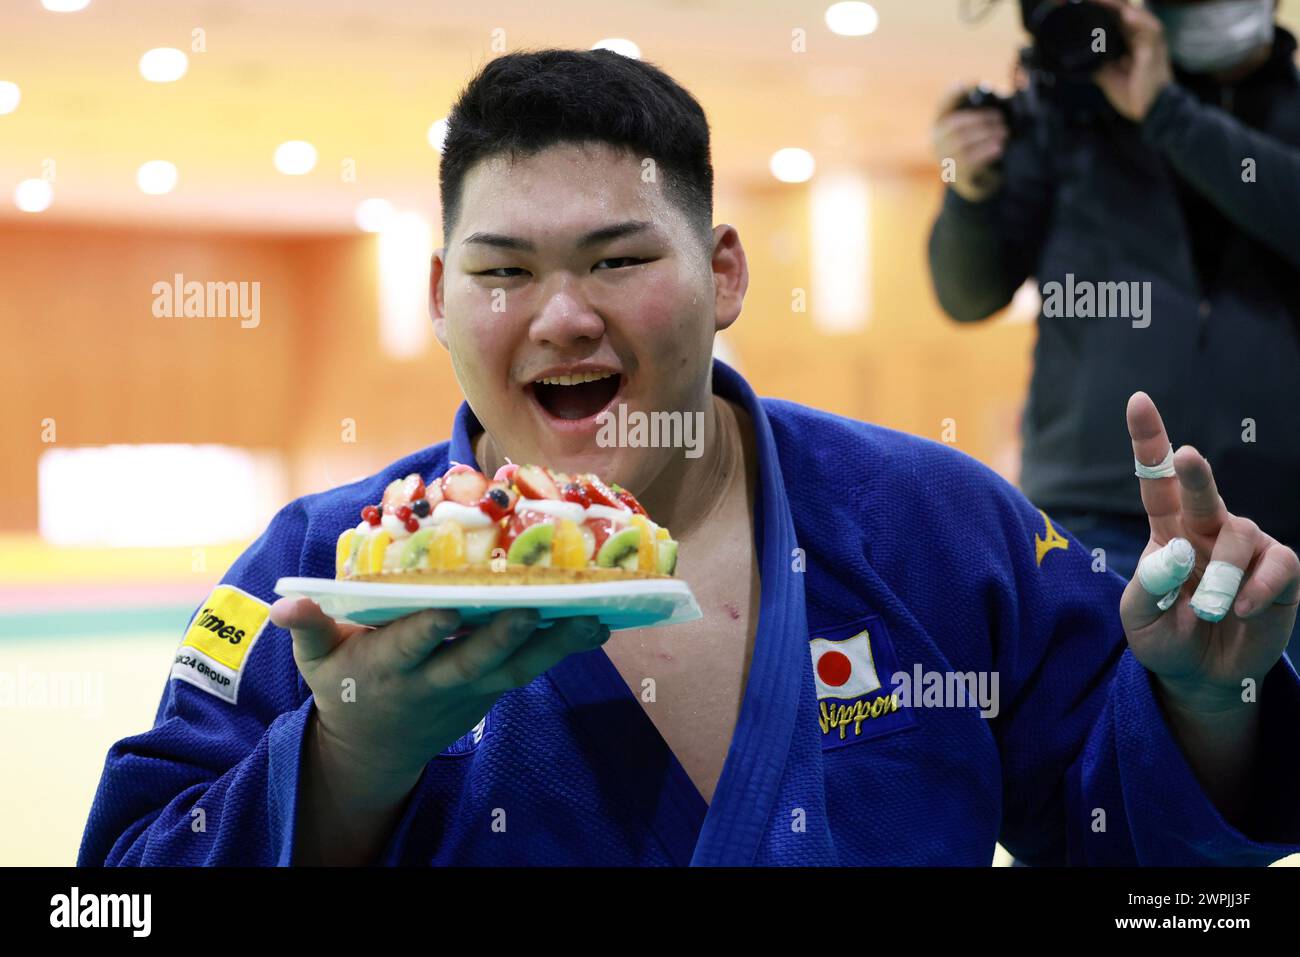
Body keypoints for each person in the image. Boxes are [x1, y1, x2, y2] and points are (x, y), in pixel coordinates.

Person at [80, 48, 1300, 866]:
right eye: (504, 271)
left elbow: (1134, 858)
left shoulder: (940, 526)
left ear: (722, 275)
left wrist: (1207, 703)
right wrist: (349, 759)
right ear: (444, 299)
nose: (562, 316)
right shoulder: (323, 569)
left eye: (617, 261)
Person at [927, 0, 1300, 662]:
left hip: (1276, 520)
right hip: (1092, 509)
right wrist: (970, 193)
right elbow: (967, 294)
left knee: (1275, 751)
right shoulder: (1067, 112)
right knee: (1093, 748)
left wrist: (1165, 113)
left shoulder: (1286, 109)